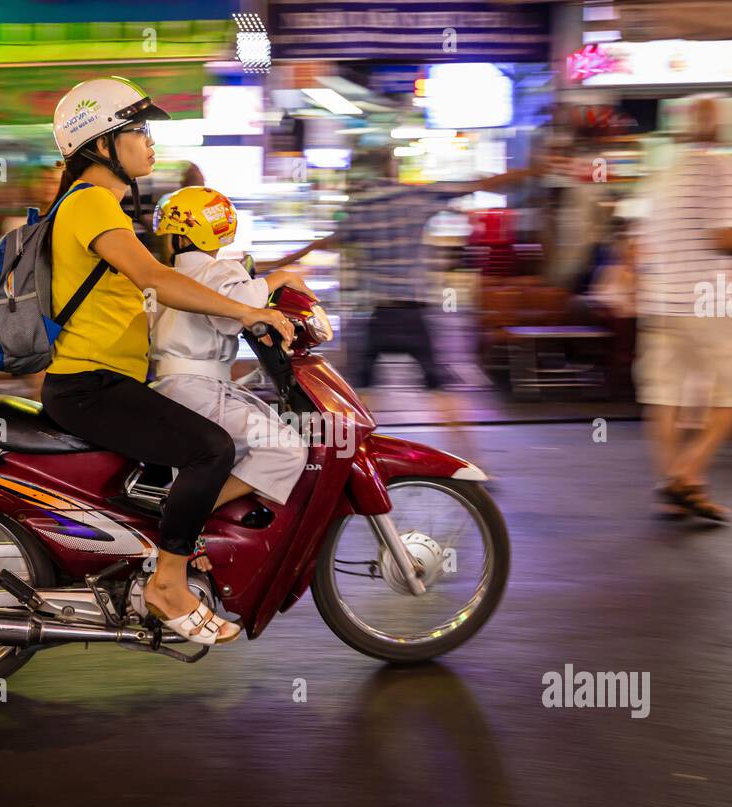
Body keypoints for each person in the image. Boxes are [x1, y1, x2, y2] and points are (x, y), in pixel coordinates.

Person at [39, 76, 292, 645]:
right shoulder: (90, 202)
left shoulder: (96, 205)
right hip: (89, 384)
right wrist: (248, 312)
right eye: (139, 130)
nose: (150, 142)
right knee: (212, 449)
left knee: (194, 448)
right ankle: (167, 583)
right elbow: (156, 278)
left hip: (105, 380)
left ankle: (165, 548)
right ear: (101, 142)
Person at [266, 144, 536, 422]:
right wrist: (531, 171)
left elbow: (320, 245)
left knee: (362, 391)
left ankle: (355, 455)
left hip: (377, 314)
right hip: (414, 313)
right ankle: (468, 457)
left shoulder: (361, 210)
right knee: (439, 388)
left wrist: (271, 266)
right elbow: (476, 185)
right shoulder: (415, 197)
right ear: (391, 169)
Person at [148, 185, 312, 571]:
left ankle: (196, 516)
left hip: (186, 386)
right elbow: (234, 311)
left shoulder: (177, 275)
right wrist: (280, 277)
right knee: (285, 448)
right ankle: (185, 509)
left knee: (259, 439)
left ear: (179, 235)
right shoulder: (216, 270)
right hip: (195, 389)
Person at [632, 95, 732, 522]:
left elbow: (640, 246)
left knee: (666, 397)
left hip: (661, 301)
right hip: (712, 299)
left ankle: (680, 489)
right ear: (724, 127)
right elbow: (727, 237)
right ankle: (685, 473)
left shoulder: (660, 177)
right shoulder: (725, 166)